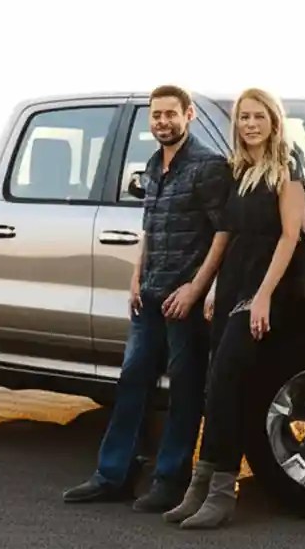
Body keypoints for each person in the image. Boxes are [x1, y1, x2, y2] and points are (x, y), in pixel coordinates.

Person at [63, 85, 233, 512]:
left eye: (170, 114)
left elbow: (223, 233)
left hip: (184, 300)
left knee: (185, 392)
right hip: (150, 296)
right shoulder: (154, 166)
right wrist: (136, 276)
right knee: (132, 384)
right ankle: (112, 476)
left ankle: (170, 481)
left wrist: (197, 289)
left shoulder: (209, 167)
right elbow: (151, 229)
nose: (162, 122)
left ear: (188, 115)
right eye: (155, 115)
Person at [162, 87, 305, 530]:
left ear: (273, 120)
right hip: (231, 289)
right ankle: (199, 489)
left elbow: (289, 236)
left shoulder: (288, 168)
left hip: (262, 291)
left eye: (258, 116)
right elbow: (226, 235)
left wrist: (263, 296)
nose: (249, 124)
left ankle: (223, 492)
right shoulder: (238, 170)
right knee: (216, 387)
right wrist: (208, 289)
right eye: (243, 117)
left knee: (227, 382)